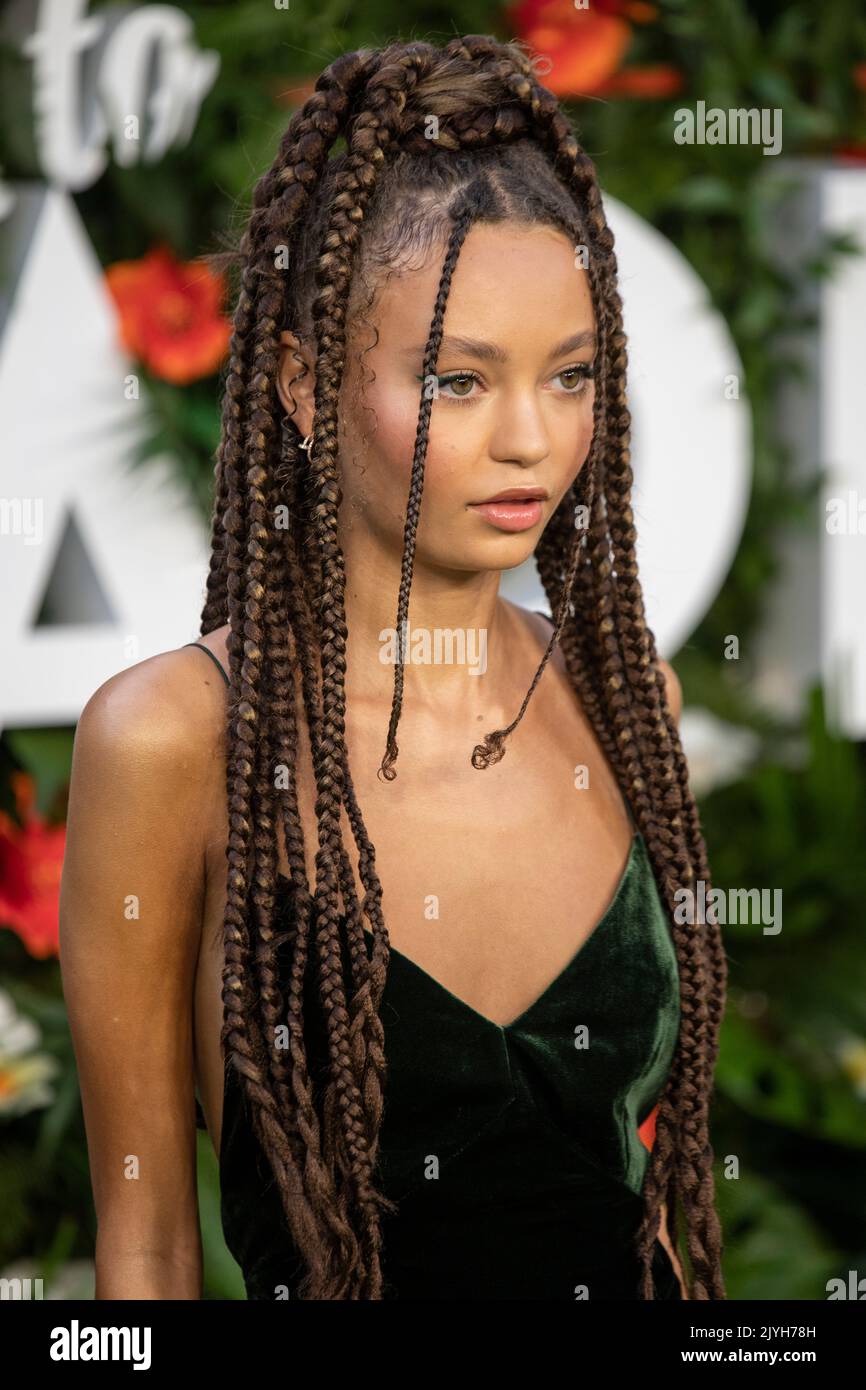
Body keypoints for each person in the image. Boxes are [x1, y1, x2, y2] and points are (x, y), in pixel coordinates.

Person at [59, 34, 727, 1301]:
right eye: (457, 380)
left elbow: (640, 1220)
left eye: (572, 377)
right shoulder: (172, 738)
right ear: (307, 384)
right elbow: (141, 1255)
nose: (530, 438)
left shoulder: (628, 702)